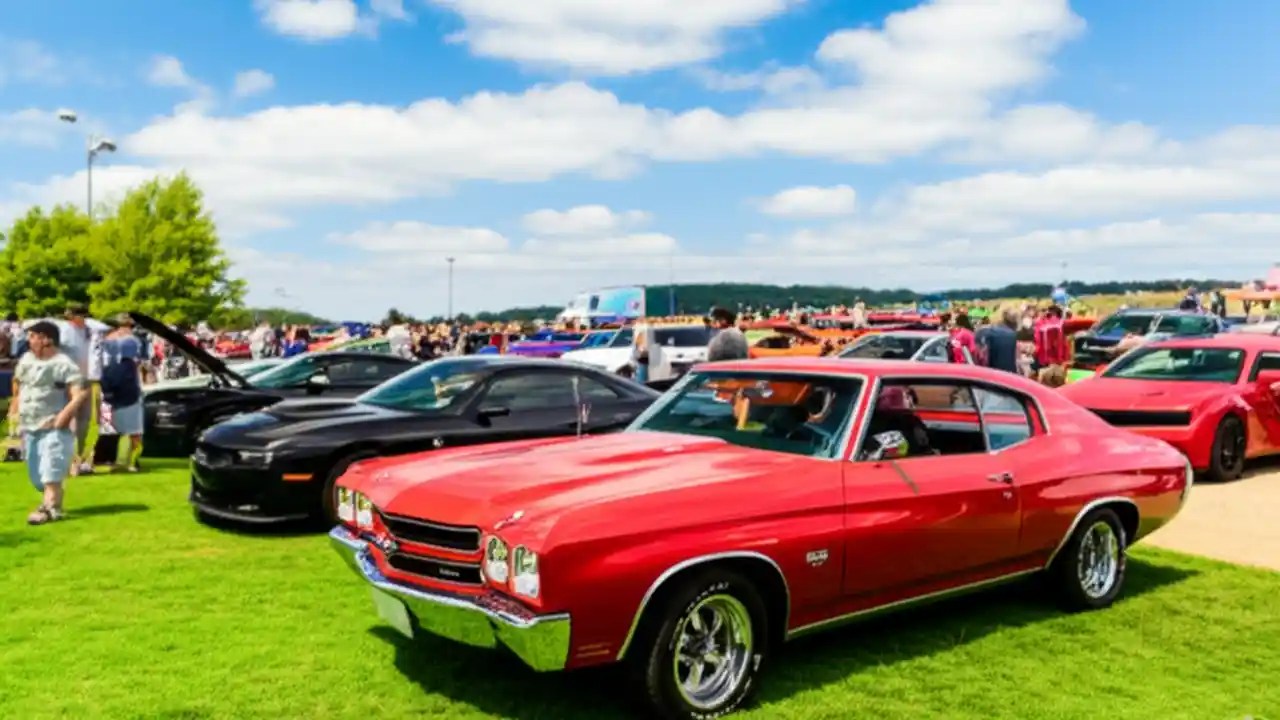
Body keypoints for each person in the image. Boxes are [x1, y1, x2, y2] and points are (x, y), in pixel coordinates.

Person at [8, 321, 89, 524]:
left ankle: (48, 508)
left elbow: (79, 394)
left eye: (34, 336)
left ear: (47, 339)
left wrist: (64, 415)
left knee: (50, 470)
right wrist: (15, 407)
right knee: (37, 478)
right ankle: (55, 504)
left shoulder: (63, 364)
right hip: (30, 426)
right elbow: (18, 383)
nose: (29, 340)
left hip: (53, 426)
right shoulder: (26, 359)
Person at [57, 302, 104, 475]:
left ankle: (79, 457)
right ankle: (69, 460)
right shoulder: (64, 331)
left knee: (84, 420)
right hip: (68, 380)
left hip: (86, 378)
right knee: (70, 419)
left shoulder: (89, 330)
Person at [101, 314, 145, 472]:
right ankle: (128, 462)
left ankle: (125, 462)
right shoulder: (130, 341)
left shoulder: (114, 342)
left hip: (119, 390)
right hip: (125, 390)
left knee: (126, 431)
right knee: (132, 431)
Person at [1034, 305, 1069, 387]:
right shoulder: (1063, 324)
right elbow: (1066, 344)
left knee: (1045, 383)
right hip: (1060, 359)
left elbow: (1037, 340)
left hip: (1045, 359)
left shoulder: (1041, 323)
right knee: (1060, 382)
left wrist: (1036, 353)